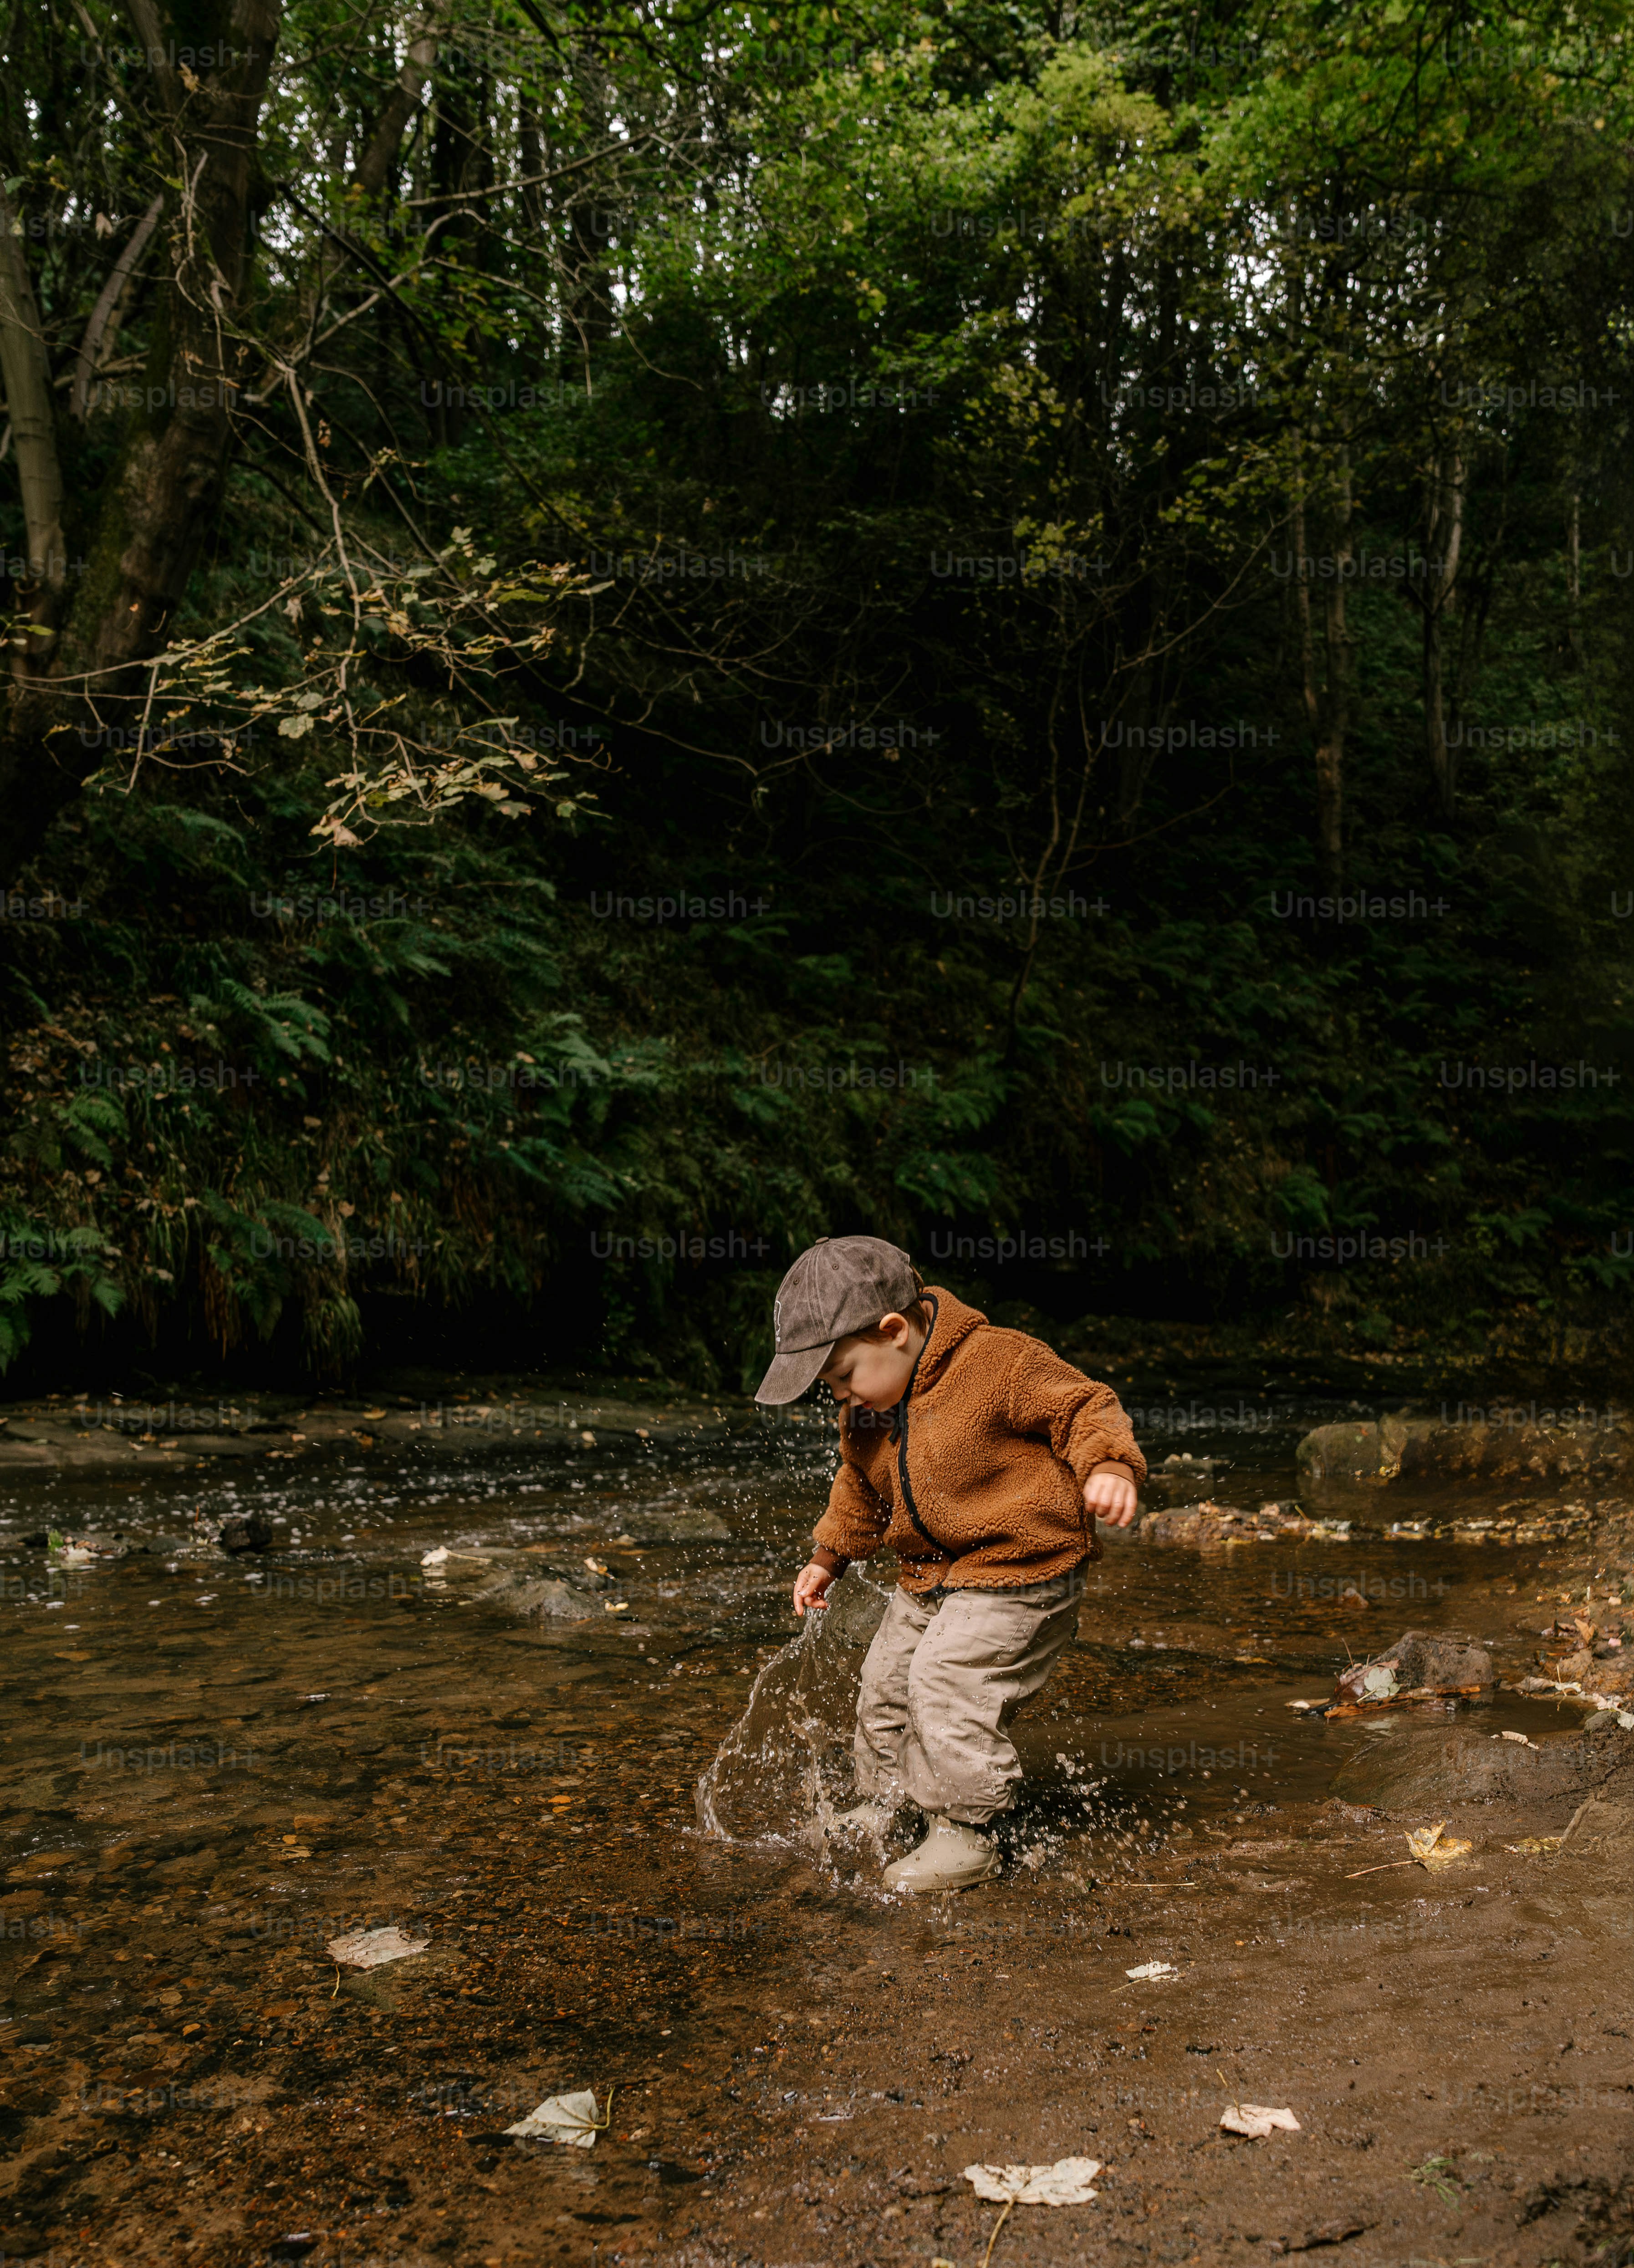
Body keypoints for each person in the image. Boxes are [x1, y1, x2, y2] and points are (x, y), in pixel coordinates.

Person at [756, 1234, 1144, 1892]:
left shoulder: (1000, 1364)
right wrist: (831, 1556)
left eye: (846, 1376)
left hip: (1025, 1567)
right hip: (933, 1574)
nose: (844, 1398)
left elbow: (1083, 1407)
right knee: (885, 1682)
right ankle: (890, 1803)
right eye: (831, 1389)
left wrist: (1107, 1464)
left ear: (894, 1330)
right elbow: (859, 1486)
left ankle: (968, 1829)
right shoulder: (870, 1409)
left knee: (945, 1679)